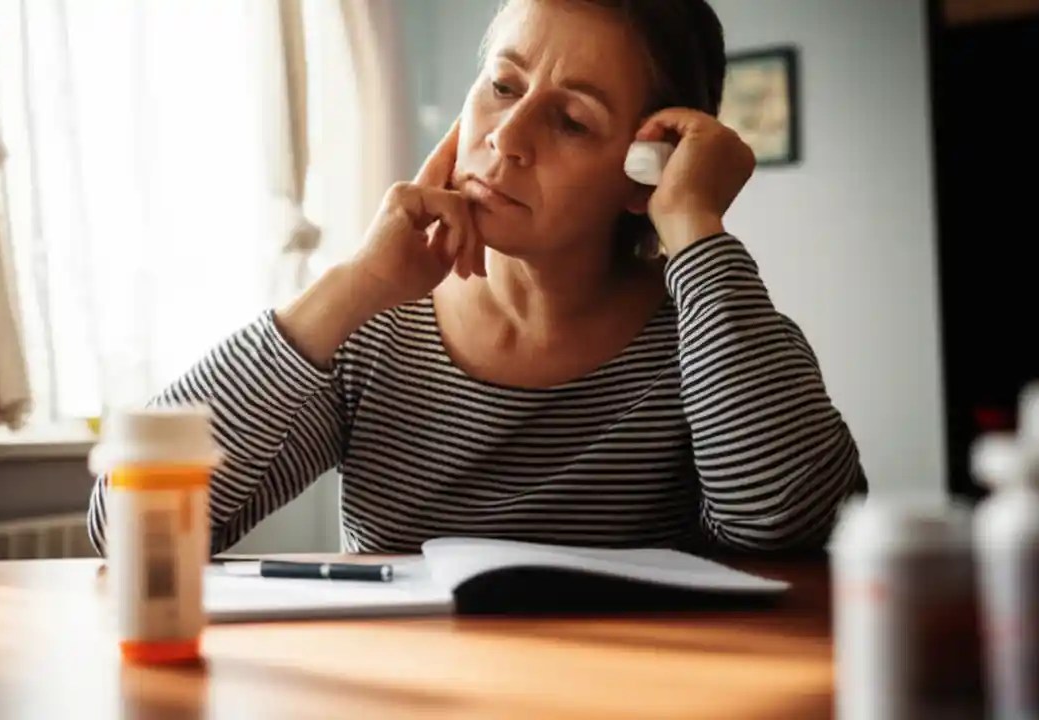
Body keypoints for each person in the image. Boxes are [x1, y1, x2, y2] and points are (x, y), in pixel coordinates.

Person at [89, 0, 866, 556]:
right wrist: (354, 284)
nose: (509, 137)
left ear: (644, 172)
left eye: (571, 119)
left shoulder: (703, 335)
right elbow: (131, 520)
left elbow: (789, 524)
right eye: (502, 86)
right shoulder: (377, 328)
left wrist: (694, 226)